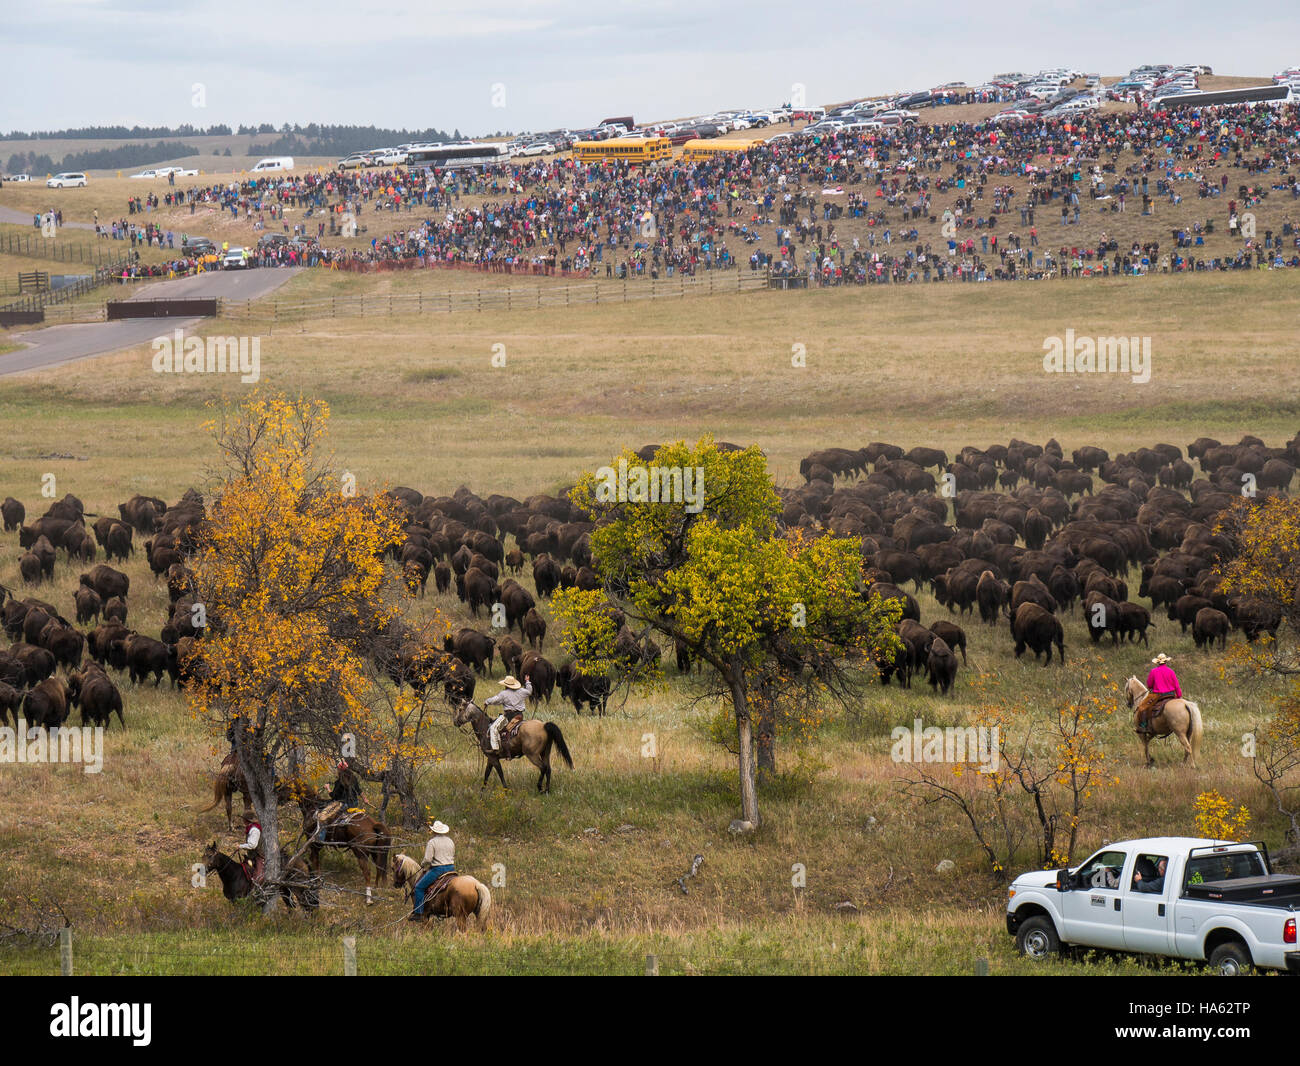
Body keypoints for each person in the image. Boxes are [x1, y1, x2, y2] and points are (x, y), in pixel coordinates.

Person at [410, 820, 455, 920]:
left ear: (434, 831)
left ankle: (419, 913)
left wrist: (422, 865)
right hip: (451, 869)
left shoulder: (432, 842)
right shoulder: (450, 841)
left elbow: (427, 859)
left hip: (438, 870)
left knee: (419, 887)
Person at [484, 674, 531, 755]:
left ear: (506, 685)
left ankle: (496, 749)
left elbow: (495, 700)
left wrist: (487, 701)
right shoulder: (522, 691)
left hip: (509, 717)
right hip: (519, 716)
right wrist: (527, 682)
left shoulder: (504, 693)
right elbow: (529, 691)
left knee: (493, 728)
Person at [1135, 653, 1182, 735]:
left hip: (1158, 695)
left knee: (1142, 707)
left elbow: (1149, 685)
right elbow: (1176, 685)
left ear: (1157, 662)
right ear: (1166, 662)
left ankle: (1143, 726)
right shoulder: (1171, 671)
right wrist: (1179, 696)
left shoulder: (1153, 671)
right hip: (1171, 695)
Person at [236, 807, 265, 884]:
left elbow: (252, 845)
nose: (243, 820)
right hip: (253, 856)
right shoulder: (250, 828)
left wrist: (240, 846)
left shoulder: (254, 830)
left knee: (258, 879)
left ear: (246, 820)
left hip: (259, 856)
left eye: (243, 819)